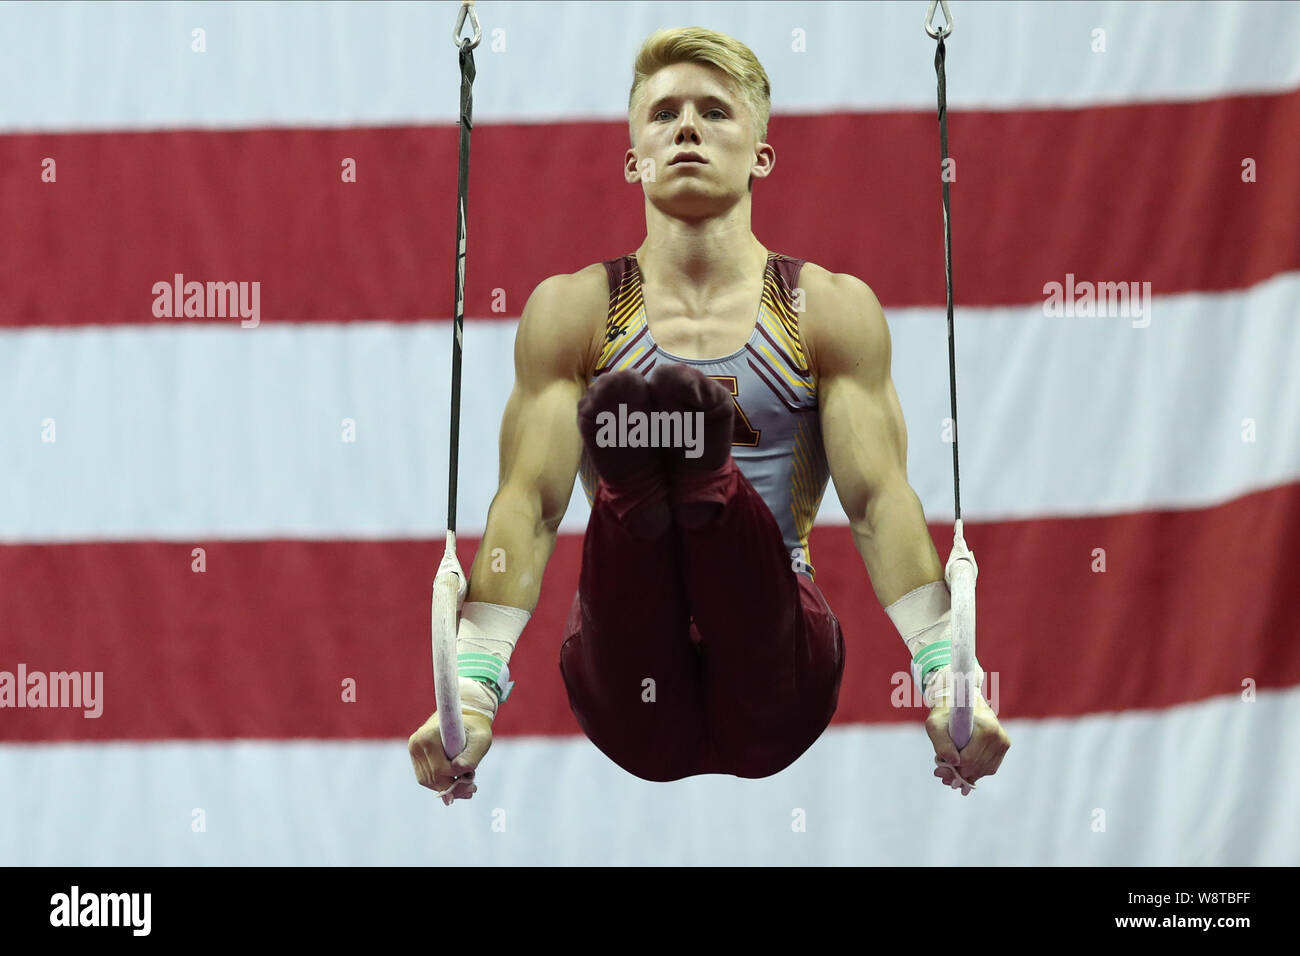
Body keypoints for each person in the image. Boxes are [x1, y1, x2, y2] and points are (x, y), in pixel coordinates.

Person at [409, 26, 1010, 800]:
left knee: (692, 500)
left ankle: (688, 471)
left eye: (715, 112)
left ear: (761, 153)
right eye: (663, 115)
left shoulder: (826, 307)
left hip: (776, 671)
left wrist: (948, 679)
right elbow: (529, 507)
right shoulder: (572, 311)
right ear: (634, 161)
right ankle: (667, 473)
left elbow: (877, 501)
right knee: (630, 525)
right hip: (631, 689)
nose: (687, 126)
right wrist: (468, 692)